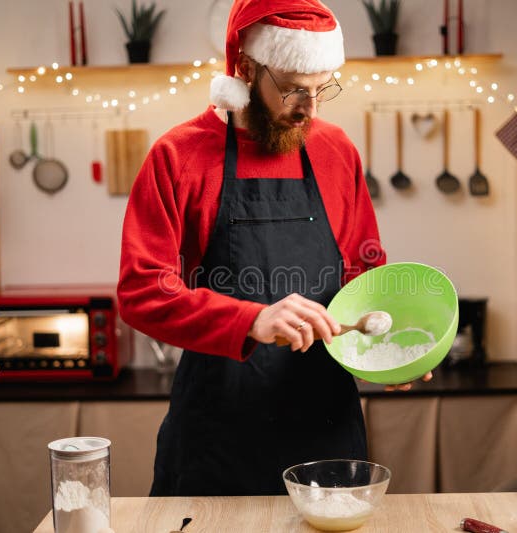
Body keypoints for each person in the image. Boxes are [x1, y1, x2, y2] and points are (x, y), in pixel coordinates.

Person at [118, 0, 387, 496]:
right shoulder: (178, 156)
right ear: (245, 67)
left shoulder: (336, 150)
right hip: (218, 431)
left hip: (323, 427)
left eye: (322, 88)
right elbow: (142, 292)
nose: (309, 109)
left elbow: (364, 277)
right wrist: (250, 320)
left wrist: (388, 352)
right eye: (292, 90)